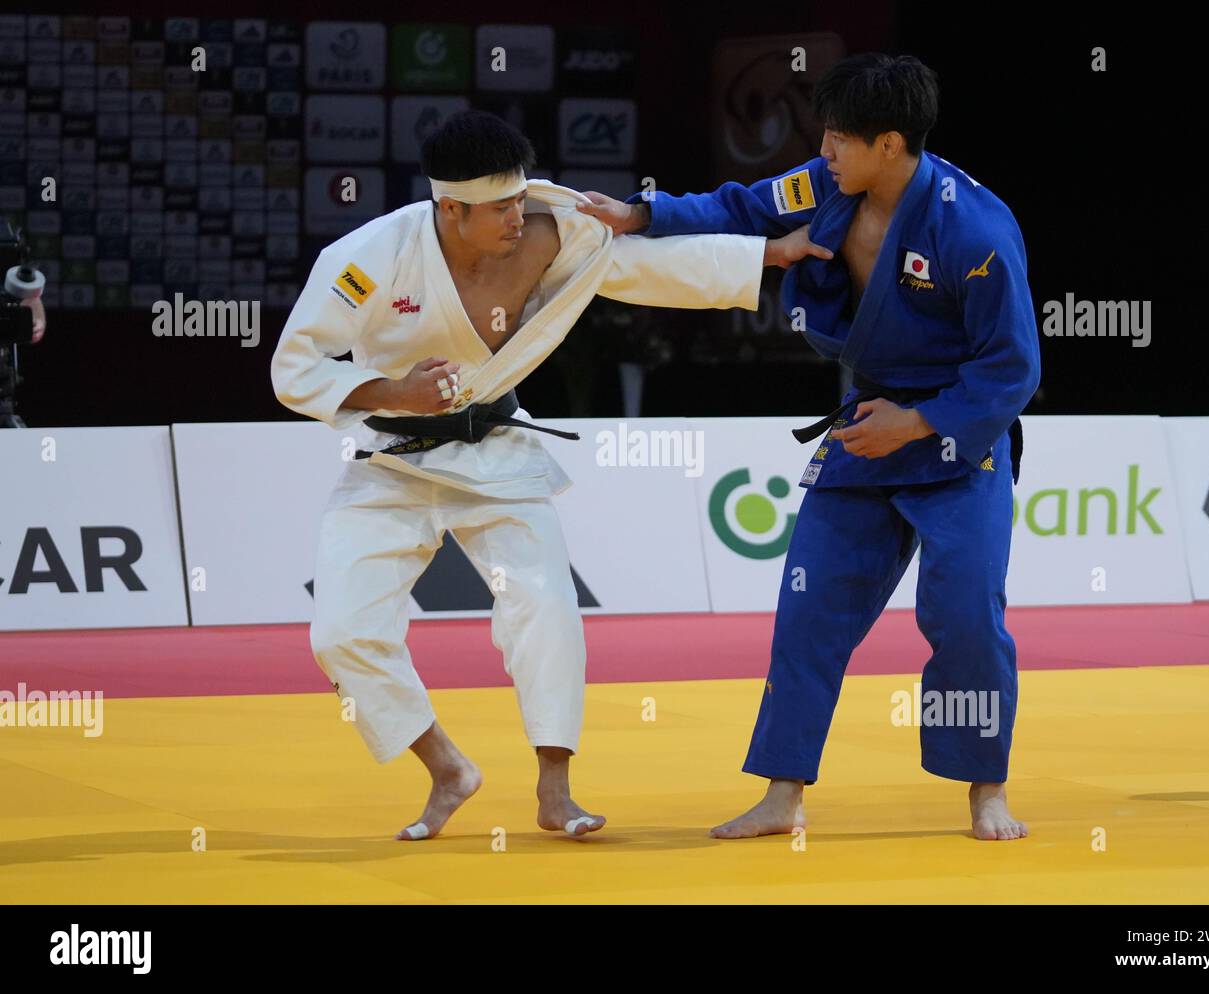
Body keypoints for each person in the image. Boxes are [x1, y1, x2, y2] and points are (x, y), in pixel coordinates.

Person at [271, 110, 823, 842]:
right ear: (450, 208)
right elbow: (294, 367)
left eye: (519, 199)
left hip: (494, 447)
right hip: (392, 457)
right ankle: (446, 767)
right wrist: (391, 391)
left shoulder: (549, 233)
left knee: (546, 610)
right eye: (497, 208)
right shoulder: (368, 256)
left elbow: (641, 269)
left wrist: (768, 255)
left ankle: (556, 792)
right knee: (340, 632)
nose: (514, 216)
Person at [579, 54, 1040, 841]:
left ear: (890, 144)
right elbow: (738, 206)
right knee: (807, 611)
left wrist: (923, 422)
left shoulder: (976, 230)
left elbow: (1014, 368)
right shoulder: (828, 184)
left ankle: (984, 790)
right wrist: (639, 216)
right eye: (823, 137)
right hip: (866, 425)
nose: (822, 153)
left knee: (964, 614)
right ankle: (782, 792)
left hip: (962, 438)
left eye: (839, 141)